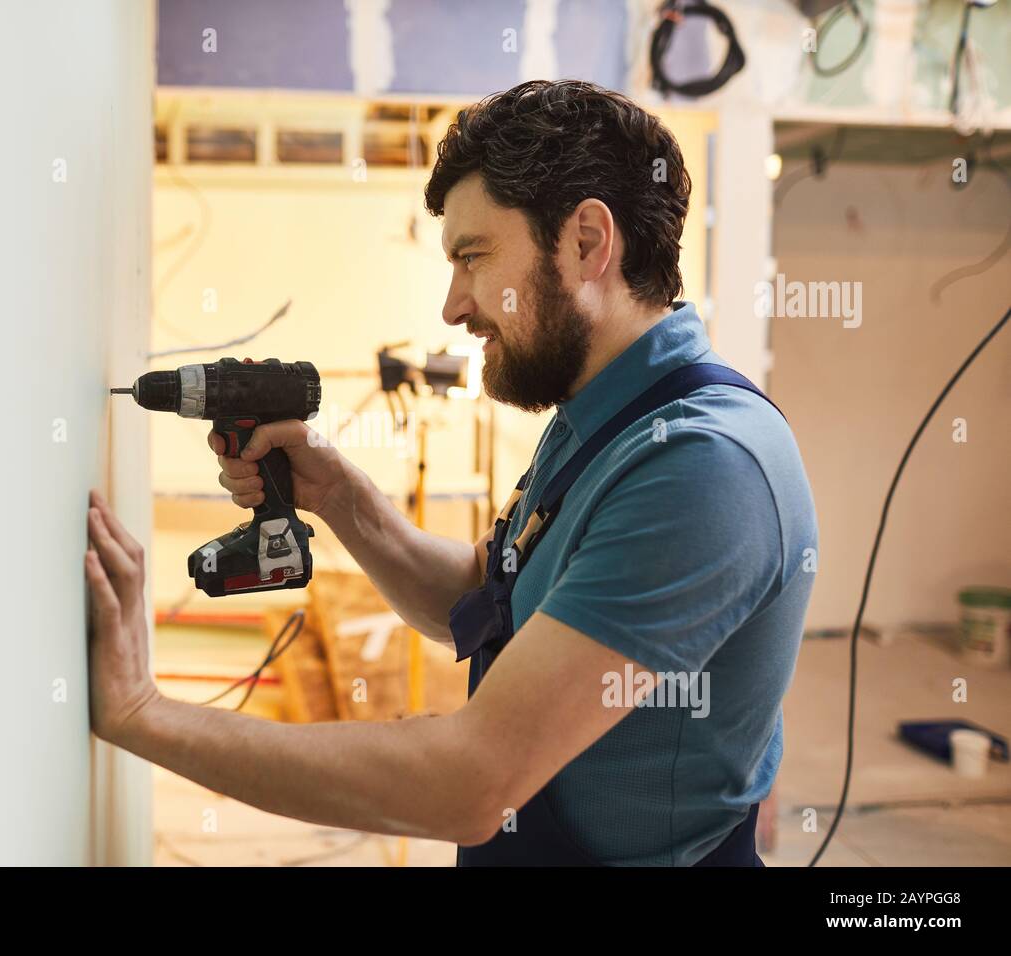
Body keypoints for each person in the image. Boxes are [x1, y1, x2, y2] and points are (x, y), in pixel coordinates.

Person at [84, 79, 817, 866]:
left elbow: (472, 780)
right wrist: (336, 493)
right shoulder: (600, 417)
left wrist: (144, 713)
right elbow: (486, 597)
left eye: (473, 257)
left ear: (587, 244)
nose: (453, 306)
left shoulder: (702, 468)